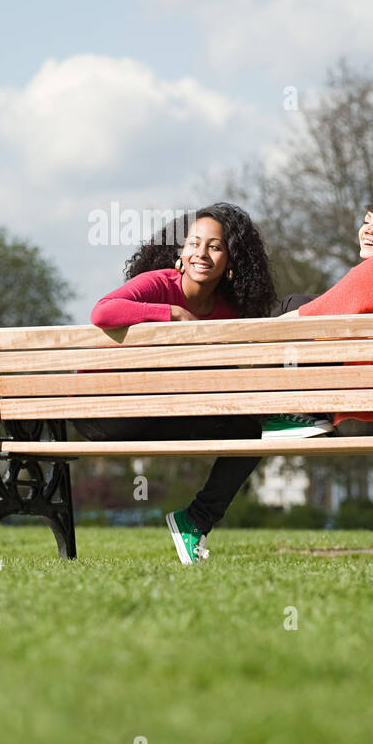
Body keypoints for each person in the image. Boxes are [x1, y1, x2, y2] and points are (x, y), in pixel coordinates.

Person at [170, 195, 373, 564]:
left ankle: (200, 513)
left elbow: (308, 318)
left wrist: (242, 340)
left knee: (291, 306)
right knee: (258, 427)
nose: (367, 229)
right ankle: (197, 516)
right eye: (366, 220)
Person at [73, 203, 277, 564]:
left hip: (159, 411)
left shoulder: (229, 312)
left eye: (214, 246)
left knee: (247, 430)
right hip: (103, 413)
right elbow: (102, 313)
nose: (201, 253)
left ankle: (195, 520)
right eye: (193, 243)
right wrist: (171, 314)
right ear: (180, 253)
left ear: (232, 260)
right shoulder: (158, 284)